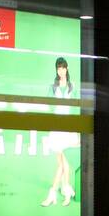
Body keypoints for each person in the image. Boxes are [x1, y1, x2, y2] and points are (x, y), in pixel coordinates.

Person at [41, 57, 79, 207]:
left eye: (63, 68)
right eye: (58, 68)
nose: (61, 70)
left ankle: (52, 194)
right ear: (56, 70)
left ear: (67, 68)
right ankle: (67, 190)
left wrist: (77, 132)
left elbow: (77, 109)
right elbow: (48, 106)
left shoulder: (73, 87)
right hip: (57, 128)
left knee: (63, 164)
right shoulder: (52, 87)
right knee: (62, 164)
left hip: (69, 128)